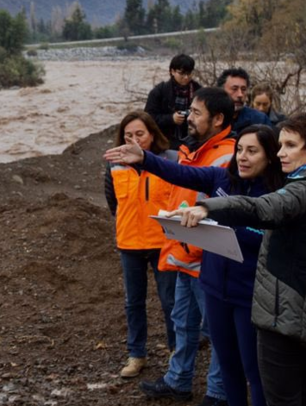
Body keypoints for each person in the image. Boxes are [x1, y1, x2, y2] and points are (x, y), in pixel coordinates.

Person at [168, 113, 306, 406]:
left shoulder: (303, 189)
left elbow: (263, 208)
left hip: (288, 313)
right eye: (280, 145)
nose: (280, 152)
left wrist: (207, 207)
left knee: (278, 396)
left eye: (290, 145)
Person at [105, 124, 285, 406]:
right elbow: (181, 172)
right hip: (214, 289)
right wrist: (145, 158)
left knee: (255, 370)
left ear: (271, 156)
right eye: (239, 150)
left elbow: (267, 238)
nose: (243, 157)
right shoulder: (221, 179)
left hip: (250, 295)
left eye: (252, 151)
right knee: (228, 366)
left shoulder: (277, 195)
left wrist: (226, 226)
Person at [140, 87, 237, 406]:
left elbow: (220, 211)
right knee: (183, 324)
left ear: (218, 118)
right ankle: (178, 380)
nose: (189, 118)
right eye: (190, 112)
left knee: (219, 331)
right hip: (183, 253)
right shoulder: (191, 149)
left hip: (206, 258)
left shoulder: (228, 156)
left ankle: (218, 392)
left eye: (197, 113)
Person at [103, 111, 176, 378]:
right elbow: (113, 202)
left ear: (153, 134)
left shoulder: (170, 161)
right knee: (133, 302)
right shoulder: (114, 165)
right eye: (128, 136)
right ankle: (136, 355)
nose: (134, 140)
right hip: (129, 242)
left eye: (140, 134)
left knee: (170, 301)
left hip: (162, 241)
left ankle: (175, 351)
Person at [146, 54, 202, 148]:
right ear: (172, 71)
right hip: (164, 141)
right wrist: (171, 118)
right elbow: (148, 118)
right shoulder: (160, 91)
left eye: (189, 73)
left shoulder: (198, 91)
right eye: (182, 73)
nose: (186, 77)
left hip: (192, 140)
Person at [217, 68, 271, 135]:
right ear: (221, 91)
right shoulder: (212, 118)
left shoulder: (259, 120)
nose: (240, 94)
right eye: (234, 89)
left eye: (243, 89)